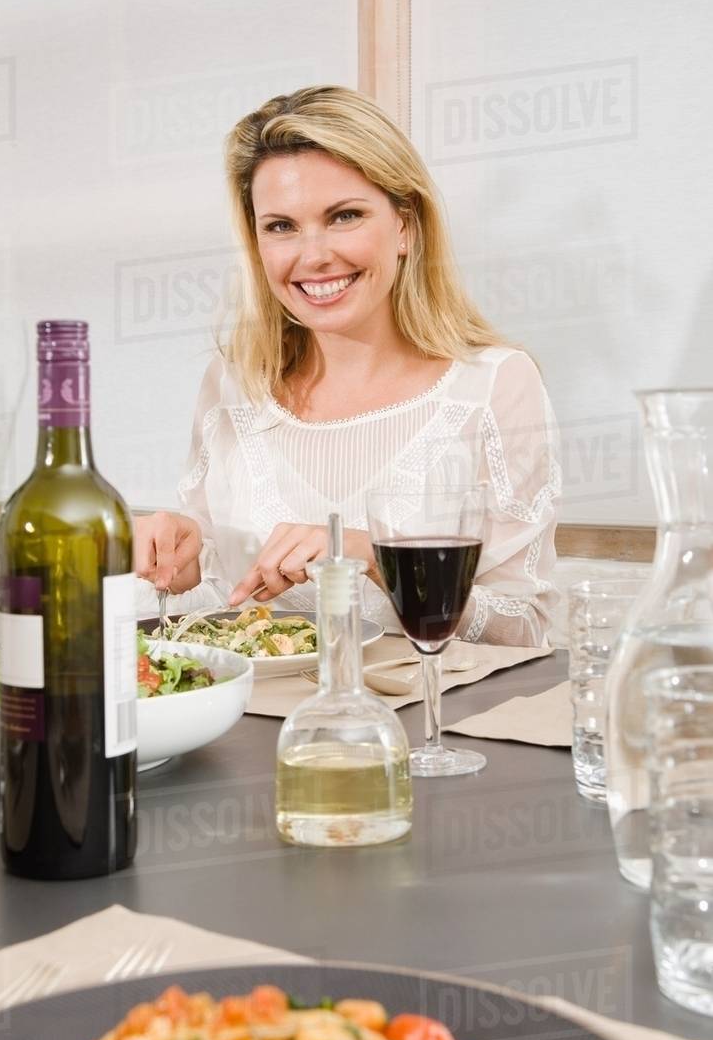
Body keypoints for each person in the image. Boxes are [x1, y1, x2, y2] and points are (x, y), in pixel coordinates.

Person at [134, 86, 560, 646]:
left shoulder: (493, 385)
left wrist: (382, 563)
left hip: (420, 731)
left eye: (344, 216)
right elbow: (217, 587)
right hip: (249, 729)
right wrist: (178, 556)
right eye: (281, 226)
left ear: (405, 225)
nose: (313, 256)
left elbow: (529, 629)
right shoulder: (233, 384)